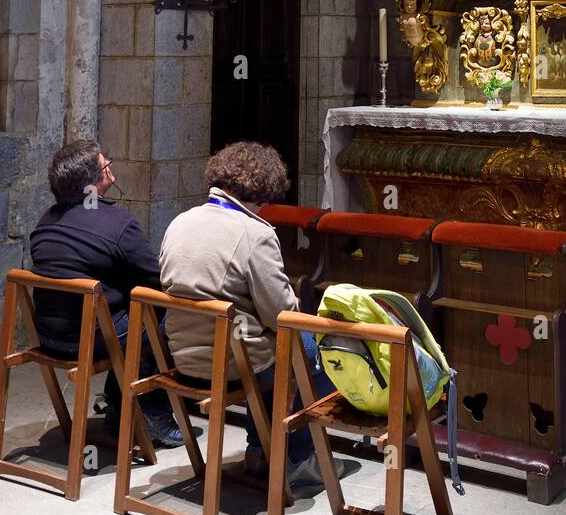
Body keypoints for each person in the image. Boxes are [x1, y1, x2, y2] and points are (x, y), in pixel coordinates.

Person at [159, 141, 337, 488]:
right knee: (312, 347)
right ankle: (295, 459)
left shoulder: (180, 221)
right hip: (230, 365)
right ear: (264, 192)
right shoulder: (255, 234)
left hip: (183, 357)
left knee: (271, 347)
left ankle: (260, 449)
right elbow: (282, 314)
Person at [30, 140, 183, 447]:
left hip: (46, 337)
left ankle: (119, 402)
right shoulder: (118, 223)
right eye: (105, 164)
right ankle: (151, 411)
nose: (110, 167)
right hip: (87, 340)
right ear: (93, 181)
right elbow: (158, 279)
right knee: (166, 315)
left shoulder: (46, 220)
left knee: (133, 317)